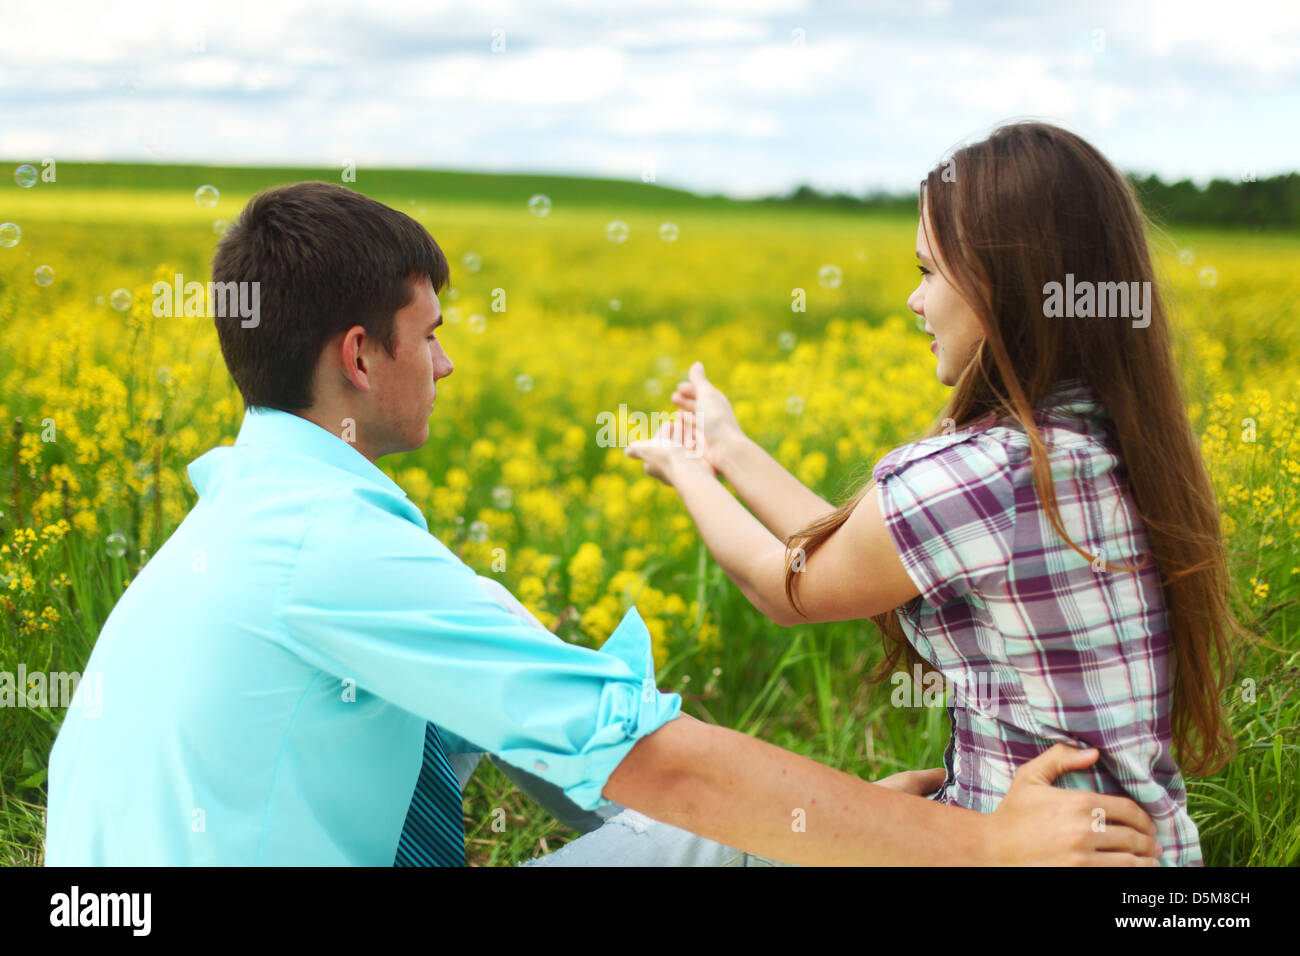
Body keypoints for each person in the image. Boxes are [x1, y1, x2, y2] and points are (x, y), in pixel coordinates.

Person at [44, 180, 1163, 868]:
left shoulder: (258, 506)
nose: (443, 360)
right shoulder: (323, 545)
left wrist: (832, 832)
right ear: (357, 354)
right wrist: (967, 844)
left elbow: (554, 730)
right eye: (426, 333)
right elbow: (657, 764)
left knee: (749, 841)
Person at [626, 121, 1244, 867]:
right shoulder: (1106, 446)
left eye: (927, 270)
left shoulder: (984, 475)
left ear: (1000, 284)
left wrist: (686, 470)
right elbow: (851, 550)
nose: (915, 302)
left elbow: (782, 589)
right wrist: (730, 447)